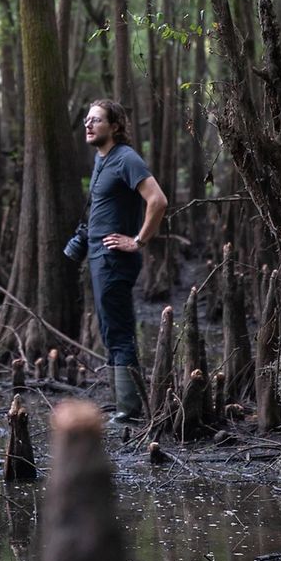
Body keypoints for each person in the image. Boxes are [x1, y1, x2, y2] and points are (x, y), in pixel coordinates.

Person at [82, 99, 168, 424]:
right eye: (87, 120)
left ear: (115, 126)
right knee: (108, 328)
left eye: (97, 120)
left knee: (118, 330)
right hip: (98, 255)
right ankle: (123, 403)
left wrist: (138, 240)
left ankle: (129, 411)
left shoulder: (126, 158)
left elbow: (158, 200)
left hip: (114, 258)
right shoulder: (101, 159)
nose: (88, 125)